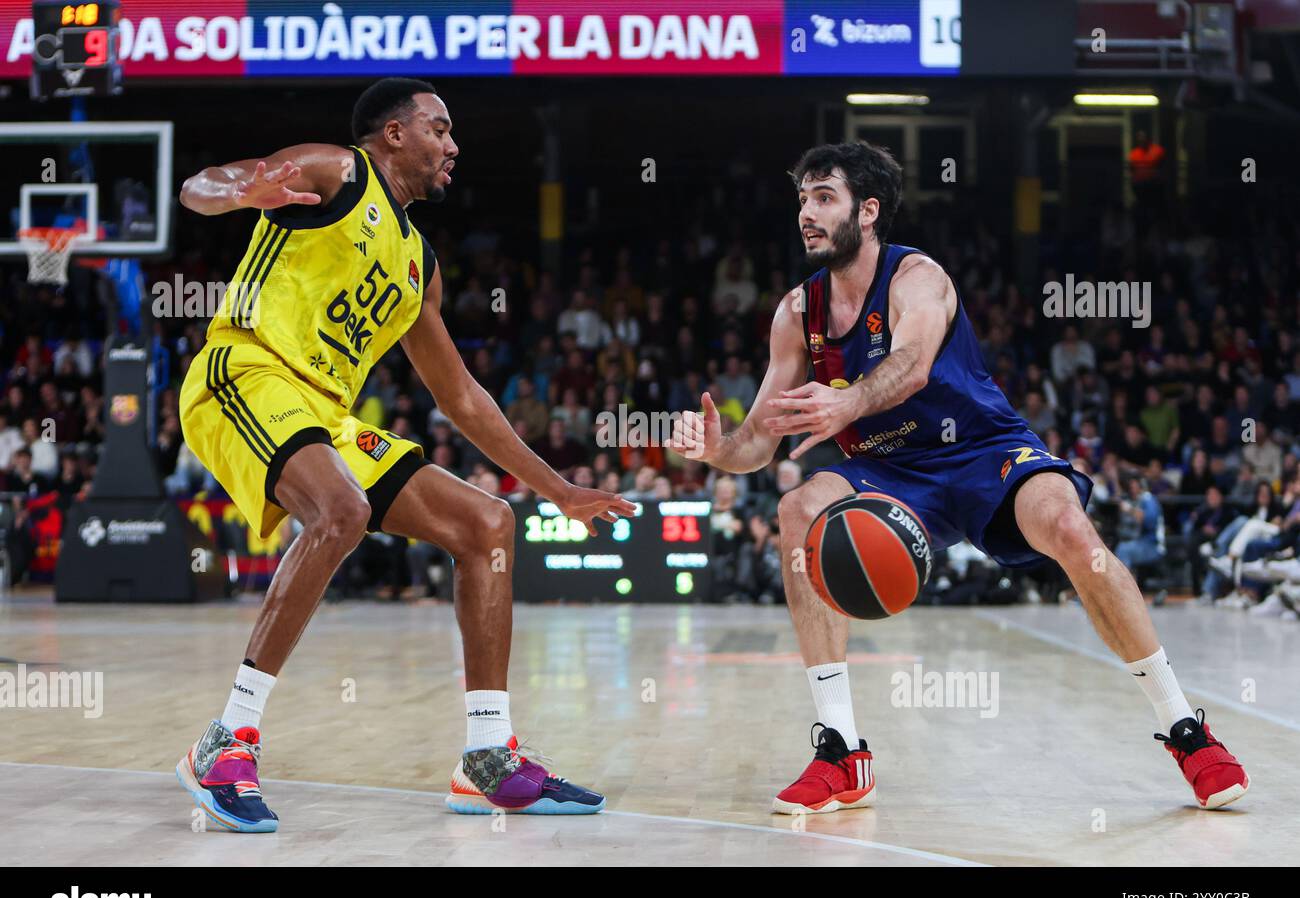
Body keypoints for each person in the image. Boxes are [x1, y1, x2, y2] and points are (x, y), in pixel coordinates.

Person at [669, 140, 1248, 814]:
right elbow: (758, 445)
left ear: (869, 209)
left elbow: (912, 363)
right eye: (802, 198)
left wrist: (847, 401)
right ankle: (841, 749)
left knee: (1068, 525)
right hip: (890, 472)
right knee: (799, 508)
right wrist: (718, 451)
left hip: (981, 451)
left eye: (824, 197)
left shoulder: (919, 277)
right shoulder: (797, 314)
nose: (806, 212)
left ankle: (1185, 729)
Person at [175, 78, 633, 832]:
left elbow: (462, 400)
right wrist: (235, 191)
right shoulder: (337, 171)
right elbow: (202, 186)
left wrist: (557, 489)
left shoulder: (417, 263)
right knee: (342, 509)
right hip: (245, 370)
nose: (453, 147)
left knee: (486, 524)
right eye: (440, 129)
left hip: (321, 411)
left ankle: (488, 755)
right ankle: (227, 739)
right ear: (393, 134)